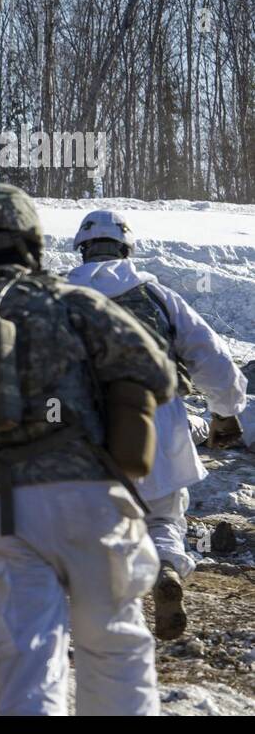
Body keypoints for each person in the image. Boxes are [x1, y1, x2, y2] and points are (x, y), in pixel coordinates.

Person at [0, 183, 175, 716]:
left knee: (27, 657)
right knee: (115, 644)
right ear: (32, 242)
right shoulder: (76, 303)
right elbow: (156, 373)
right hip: (93, 498)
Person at [66, 209, 248, 638]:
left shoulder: (54, 296)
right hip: (157, 421)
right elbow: (214, 359)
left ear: (82, 247)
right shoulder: (157, 294)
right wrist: (225, 413)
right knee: (163, 518)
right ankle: (166, 567)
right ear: (127, 247)